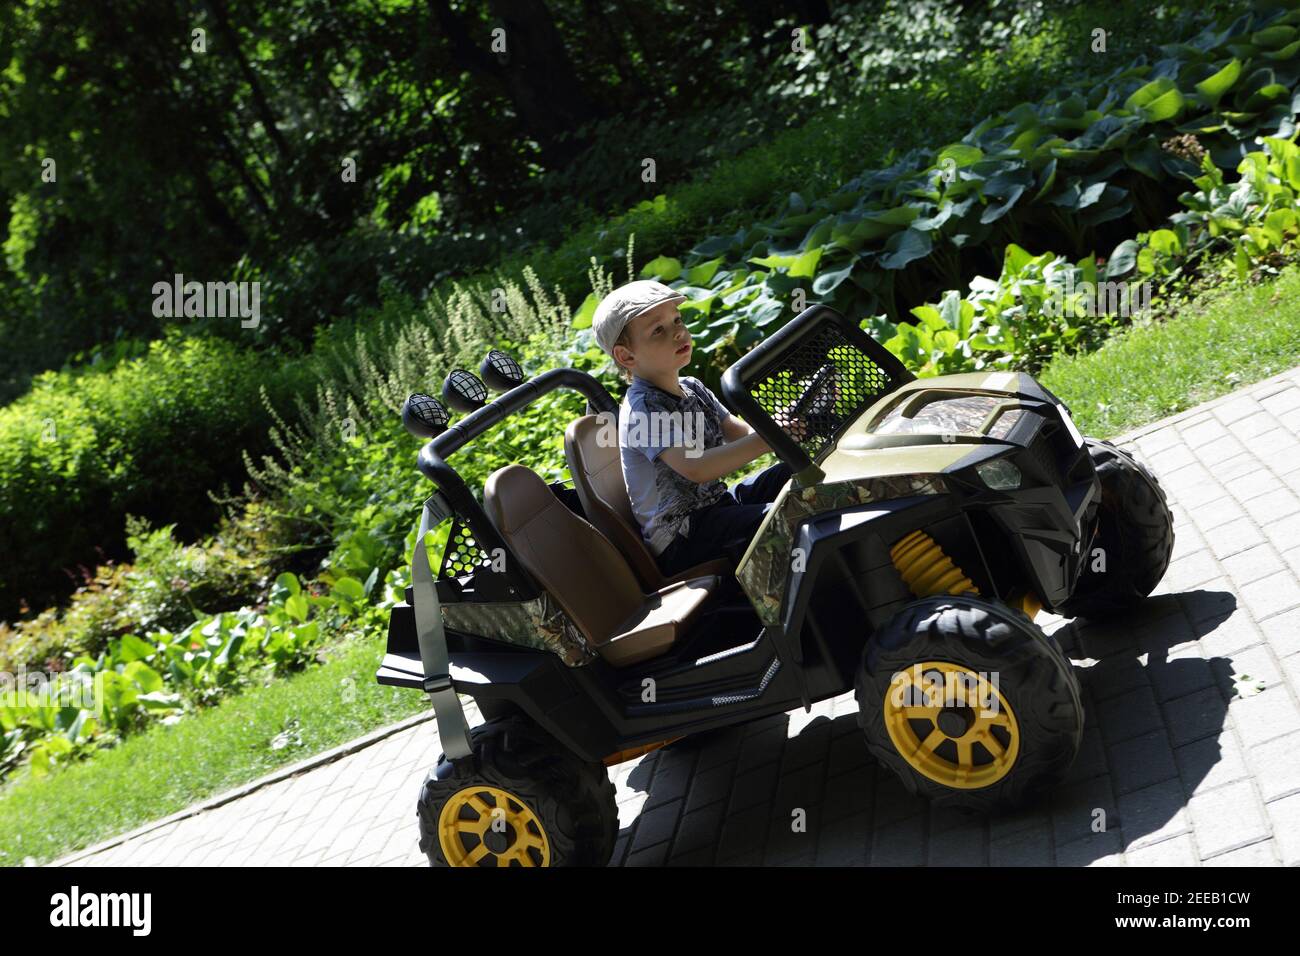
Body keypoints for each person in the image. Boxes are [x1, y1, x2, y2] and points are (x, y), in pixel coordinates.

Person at [592, 279, 796, 579]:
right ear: (626, 357)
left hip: (715, 508)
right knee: (787, 516)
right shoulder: (644, 409)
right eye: (658, 330)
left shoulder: (692, 387)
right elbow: (696, 468)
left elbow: (738, 434)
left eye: (677, 320)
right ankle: (803, 609)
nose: (678, 332)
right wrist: (770, 438)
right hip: (683, 538)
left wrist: (785, 425)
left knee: (794, 472)